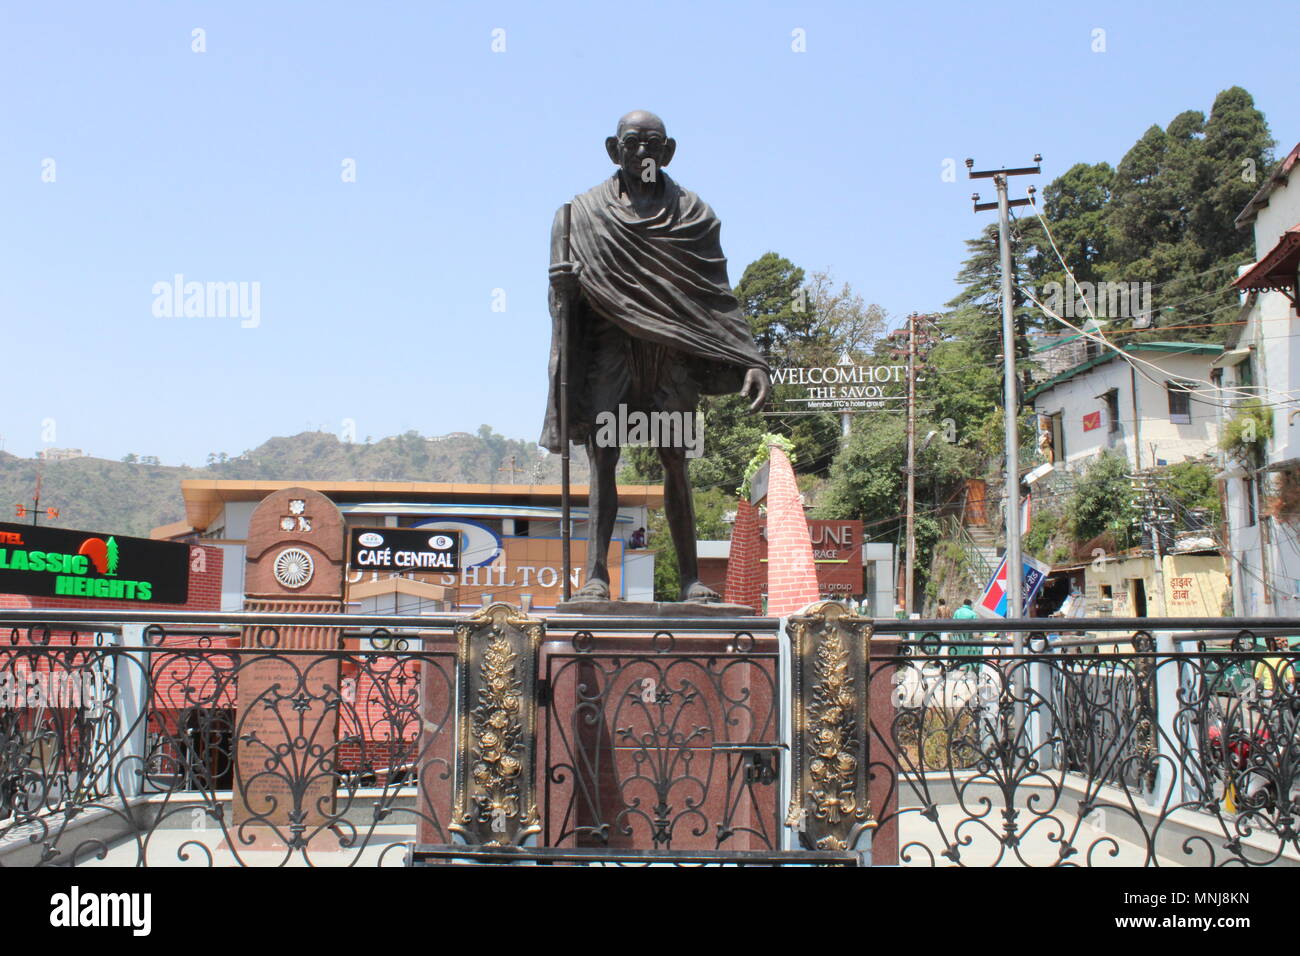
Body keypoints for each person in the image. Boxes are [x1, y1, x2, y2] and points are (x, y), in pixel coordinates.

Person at [541, 111, 771, 603]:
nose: (642, 152)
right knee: (604, 459)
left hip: (671, 359)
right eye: (632, 143)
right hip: (610, 354)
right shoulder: (578, 216)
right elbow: (564, 307)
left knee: (676, 461)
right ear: (612, 148)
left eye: (653, 144)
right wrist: (562, 291)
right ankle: (596, 578)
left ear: (668, 152)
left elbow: (716, 296)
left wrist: (751, 359)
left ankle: (692, 581)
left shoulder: (693, 214)